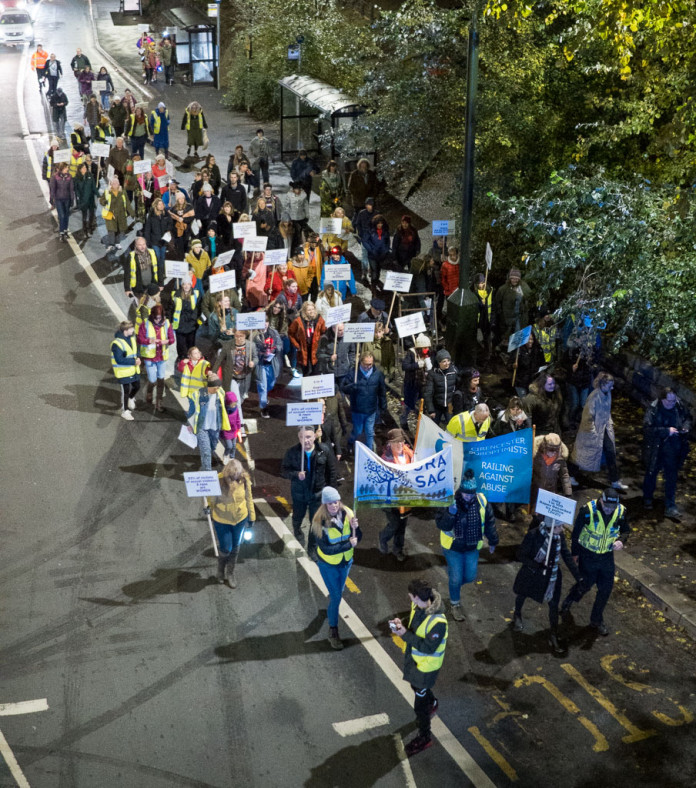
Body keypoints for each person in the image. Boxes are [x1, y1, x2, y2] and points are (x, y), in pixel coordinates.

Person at [388, 579, 447, 757]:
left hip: (425, 669)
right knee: (416, 688)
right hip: (415, 662)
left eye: (410, 596)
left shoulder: (438, 622)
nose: (410, 599)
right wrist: (402, 624)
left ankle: (425, 737)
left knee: (420, 708)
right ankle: (432, 702)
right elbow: (415, 624)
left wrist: (404, 634)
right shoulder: (419, 606)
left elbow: (428, 647)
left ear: (416, 597)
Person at [561, 489, 630, 635]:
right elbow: (576, 534)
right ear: (601, 500)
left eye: (612, 507)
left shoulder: (620, 512)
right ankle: (570, 599)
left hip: (606, 557)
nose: (609, 510)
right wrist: (575, 554)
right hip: (588, 556)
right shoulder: (587, 511)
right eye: (606, 506)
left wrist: (621, 541)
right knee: (585, 585)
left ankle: (596, 620)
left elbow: (625, 530)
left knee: (605, 590)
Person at [434, 469, 498, 621]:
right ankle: (455, 603)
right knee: (456, 578)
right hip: (453, 548)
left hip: (472, 547)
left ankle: (453, 587)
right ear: (460, 491)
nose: (469, 497)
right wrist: (450, 513)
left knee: (470, 576)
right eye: (466, 494)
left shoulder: (481, 501)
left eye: (471, 494)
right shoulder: (449, 501)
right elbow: (442, 525)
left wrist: (493, 541)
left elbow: (489, 522)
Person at [513, 517, 580, 654]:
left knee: (554, 605)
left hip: (552, 576)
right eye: (559, 527)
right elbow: (521, 555)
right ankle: (517, 614)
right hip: (533, 574)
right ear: (551, 527)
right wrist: (536, 565)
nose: (562, 529)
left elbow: (566, 556)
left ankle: (553, 633)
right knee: (523, 594)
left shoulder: (559, 536)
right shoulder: (533, 535)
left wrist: (578, 577)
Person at [308, 487, 361, 649]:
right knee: (337, 597)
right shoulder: (318, 522)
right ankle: (333, 630)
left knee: (338, 592)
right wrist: (348, 545)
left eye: (336, 502)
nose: (334, 506)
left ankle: (331, 605)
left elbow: (357, 537)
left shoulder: (349, 513)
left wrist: (356, 528)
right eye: (330, 503)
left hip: (346, 562)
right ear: (325, 504)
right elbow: (326, 549)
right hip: (328, 565)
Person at [569, 372, 628, 491]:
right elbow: (587, 417)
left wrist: (609, 423)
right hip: (591, 432)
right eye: (610, 385)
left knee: (610, 452)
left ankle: (614, 480)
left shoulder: (607, 393)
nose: (612, 388)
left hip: (603, 428)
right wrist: (593, 432)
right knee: (581, 454)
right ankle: (570, 475)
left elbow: (607, 411)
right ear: (603, 385)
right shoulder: (594, 397)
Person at [281, 426, 338, 546]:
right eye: (302, 437)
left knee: (316, 521)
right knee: (298, 516)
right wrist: (296, 474)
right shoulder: (292, 452)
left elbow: (332, 472)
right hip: (299, 493)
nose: (306, 440)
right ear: (298, 437)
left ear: (314, 436)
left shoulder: (324, 450)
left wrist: (331, 494)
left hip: (317, 494)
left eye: (308, 437)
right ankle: (297, 531)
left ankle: (312, 545)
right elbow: (284, 471)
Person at [642, 387, 692, 519]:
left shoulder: (679, 406)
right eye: (669, 401)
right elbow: (647, 429)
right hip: (656, 448)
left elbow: (688, 418)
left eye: (673, 400)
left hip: (674, 449)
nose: (671, 403)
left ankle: (670, 505)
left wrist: (686, 427)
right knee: (651, 473)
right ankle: (647, 497)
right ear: (662, 399)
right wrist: (666, 431)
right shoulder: (653, 409)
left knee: (671, 477)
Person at [208, 460, 255, 587]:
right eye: (232, 475)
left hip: (240, 519)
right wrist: (208, 507)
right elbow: (211, 499)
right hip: (222, 520)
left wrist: (252, 517)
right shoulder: (217, 480)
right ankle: (220, 571)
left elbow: (249, 499)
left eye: (237, 475)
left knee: (236, 547)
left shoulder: (245, 480)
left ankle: (230, 573)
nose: (234, 478)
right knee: (226, 548)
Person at [379, 430, 414, 561]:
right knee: (394, 524)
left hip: (405, 499)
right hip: (390, 500)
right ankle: (383, 537)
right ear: (390, 443)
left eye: (401, 441)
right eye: (396, 442)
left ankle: (398, 549)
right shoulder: (385, 459)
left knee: (402, 526)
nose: (399, 444)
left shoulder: (410, 454)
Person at [344, 351, 387, 453]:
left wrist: (383, 406)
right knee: (357, 431)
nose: (368, 367)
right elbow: (344, 388)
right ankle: (350, 442)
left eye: (370, 364)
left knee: (369, 432)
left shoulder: (378, 374)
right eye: (366, 364)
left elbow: (382, 391)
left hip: (371, 410)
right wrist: (351, 387)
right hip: (357, 410)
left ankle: (369, 453)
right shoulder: (353, 373)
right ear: (361, 362)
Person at [187, 374, 231, 470]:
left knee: (212, 447)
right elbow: (191, 411)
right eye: (216, 388)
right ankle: (207, 472)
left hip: (215, 427)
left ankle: (205, 465)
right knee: (206, 451)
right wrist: (189, 424)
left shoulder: (220, 393)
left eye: (219, 387)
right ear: (209, 386)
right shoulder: (197, 395)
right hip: (202, 427)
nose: (217, 390)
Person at [138, 304, 175, 411]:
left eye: (160, 318)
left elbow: (172, 339)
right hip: (149, 356)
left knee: (161, 379)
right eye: (156, 318)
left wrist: (166, 341)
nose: (158, 320)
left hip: (161, 356)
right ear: (152, 316)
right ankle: (149, 392)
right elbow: (139, 339)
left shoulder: (167, 323)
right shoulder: (145, 324)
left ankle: (159, 402)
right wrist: (149, 341)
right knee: (152, 379)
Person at [530, 433, 572, 516]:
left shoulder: (560, 459)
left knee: (545, 514)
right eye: (550, 451)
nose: (552, 454)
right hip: (535, 489)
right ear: (544, 448)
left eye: (555, 451)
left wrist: (568, 492)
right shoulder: (535, 456)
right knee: (534, 513)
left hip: (550, 490)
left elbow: (564, 475)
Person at [110, 320, 141, 421]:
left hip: (133, 369)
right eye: (131, 328)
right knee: (125, 392)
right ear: (125, 330)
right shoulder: (117, 344)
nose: (133, 330)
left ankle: (131, 398)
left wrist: (138, 357)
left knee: (137, 386)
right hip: (123, 371)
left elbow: (136, 349)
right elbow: (119, 359)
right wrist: (134, 361)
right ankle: (125, 411)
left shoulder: (132, 338)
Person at [493, 268, 532, 347]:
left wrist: (523, 298)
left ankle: (517, 352)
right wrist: (501, 314)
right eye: (512, 278)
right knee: (507, 338)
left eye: (516, 278)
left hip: (520, 318)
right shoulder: (503, 289)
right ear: (509, 278)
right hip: (507, 318)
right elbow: (497, 302)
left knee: (518, 339)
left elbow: (531, 299)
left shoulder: (524, 287)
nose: (514, 280)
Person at [253, 316, 282, 419]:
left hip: (271, 363)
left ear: (268, 323)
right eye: (262, 322)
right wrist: (261, 353)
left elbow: (279, 344)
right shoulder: (254, 335)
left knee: (271, 384)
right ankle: (263, 407)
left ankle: (264, 397)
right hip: (260, 364)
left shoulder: (274, 333)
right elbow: (251, 349)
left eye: (266, 321)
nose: (264, 324)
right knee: (262, 386)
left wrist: (274, 350)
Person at [401, 333, 432, 431]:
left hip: (423, 384)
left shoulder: (428, 354)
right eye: (424, 348)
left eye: (427, 347)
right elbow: (405, 366)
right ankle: (403, 420)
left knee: (423, 404)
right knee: (408, 404)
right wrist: (416, 365)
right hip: (411, 384)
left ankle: (422, 422)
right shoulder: (411, 353)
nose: (426, 349)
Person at [288, 301, 326, 377]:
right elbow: (291, 333)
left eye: (313, 309)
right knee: (305, 372)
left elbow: (324, 333)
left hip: (316, 349)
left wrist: (321, 345)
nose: (311, 311)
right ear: (305, 311)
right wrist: (297, 345)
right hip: (303, 349)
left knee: (316, 371)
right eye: (309, 310)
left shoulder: (320, 319)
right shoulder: (298, 321)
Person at [424, 349, 459, 426]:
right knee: (434, 426)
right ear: (439, 362)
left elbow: (458, 387)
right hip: (437, 405)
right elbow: (428, 392)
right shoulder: (433, 373)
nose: (447, 363)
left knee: (451, 425)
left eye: (448, 361)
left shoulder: (454, 371)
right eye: (444, 361)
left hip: (449, 405)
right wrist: (431, 410)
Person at [171, 279, 199, 363]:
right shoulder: (175, 295)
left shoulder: (196, 294)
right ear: (182, 285)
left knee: (191, 344)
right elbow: (171, 308)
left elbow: (198, 308)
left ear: (191, 285)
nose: (186, 286)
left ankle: (191, 360)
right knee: (181, 345)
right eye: (184, 284)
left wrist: (196, 320)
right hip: (179, 324)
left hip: (191, 324)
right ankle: (182, 360)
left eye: (188, 284)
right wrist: (170, 320)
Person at [49, 162, 74, 242]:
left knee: (66, 216)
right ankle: (61, 233)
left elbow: (71, 189)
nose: (67, 169)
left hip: (67, 199)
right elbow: (53, 189)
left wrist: (72, 199)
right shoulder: (55, 177)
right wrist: (51, 199)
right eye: (66, 167)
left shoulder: (69, 177)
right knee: (61, 216)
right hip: (58, 199)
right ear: (62, 168)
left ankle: (65, 231)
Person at [363, 214, 391, 285]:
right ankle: (373, 285)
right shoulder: (370, 231)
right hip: (372, 255)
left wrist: (385, 250)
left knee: (378, 270)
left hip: (381, 255)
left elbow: (387, 242)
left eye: (381, 223)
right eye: (378, 223)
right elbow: (365, 241)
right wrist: (371, 250)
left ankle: (376, 281)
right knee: (374, 270)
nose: (380, 225)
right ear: (375, 223)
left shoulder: (385, 231)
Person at [74, 162, 98, 238]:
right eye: (83, 168)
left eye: (85, 167)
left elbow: (93, 187)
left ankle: (90, 227)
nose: (85, 169)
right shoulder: (77, 178)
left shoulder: (90, 175)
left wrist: (98, 195)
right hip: (83, 200)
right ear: (80, 170)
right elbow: (76, 190)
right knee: (84, 216)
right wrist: (78, 200)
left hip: (90, 199)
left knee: (91, 214)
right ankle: (84, 230)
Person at [354, 197, 376, 283]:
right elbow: (358, 224)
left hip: (373, 238)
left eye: (371, 204)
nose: (369, 206)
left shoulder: (376, 214)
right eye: (368, 204)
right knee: (364, 256)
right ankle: (364, 272)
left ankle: (371, 270)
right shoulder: (362, 213)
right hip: (365, 237)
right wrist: (361, 235)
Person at [473, 272, 493, 362]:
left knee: (487, 337)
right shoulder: (474, 293)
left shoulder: (489, 291)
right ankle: (480, 354)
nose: (481, 285)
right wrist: (481, 303)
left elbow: (493, 305)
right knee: (479, 338)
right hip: (479, 320)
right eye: (479, 283)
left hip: (487, 319)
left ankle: (488, 354)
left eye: (482, 283)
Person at [284, 182, 309, 249]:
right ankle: (294, 247)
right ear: (293, 189)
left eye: (298, 189)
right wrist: (287, 217)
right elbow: (286, 206)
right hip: (292, 217)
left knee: (301, 232)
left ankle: (301, 246)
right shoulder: (289, 195)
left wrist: (307, 215)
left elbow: (306, 206)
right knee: (294, 234)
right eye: (296, 189)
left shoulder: (304, 195)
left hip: (301, 217)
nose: (297, 191)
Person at [220, 391, 243, 463]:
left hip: (234, 430)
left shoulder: (235, 409)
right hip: (226, 431)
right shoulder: (223, 410)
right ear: (228, 403)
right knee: (229, 446)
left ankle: (232, 457)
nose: (234, 406)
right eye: (232, 404)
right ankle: (225, 455)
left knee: (233, 445)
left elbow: (238, 418)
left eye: (235, 404)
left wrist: (238, 428)